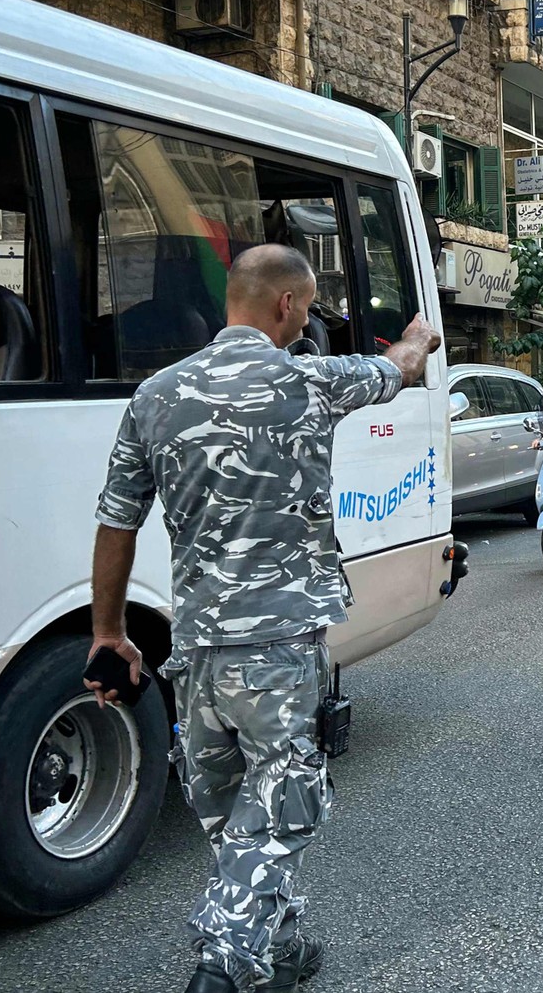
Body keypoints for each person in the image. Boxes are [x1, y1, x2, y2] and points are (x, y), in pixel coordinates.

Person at [86, 245, 438, 993]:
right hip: (277, 648)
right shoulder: (310, 380)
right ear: (285, 304)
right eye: (306, 310)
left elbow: (117, 520)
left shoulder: (154, 395)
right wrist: (418, 335)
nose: (306, 323)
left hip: (196, 650)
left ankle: (279, 949)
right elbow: (401, 367)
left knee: (230, 815)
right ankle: (223, 961)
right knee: (281, 807)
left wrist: (108, 633)